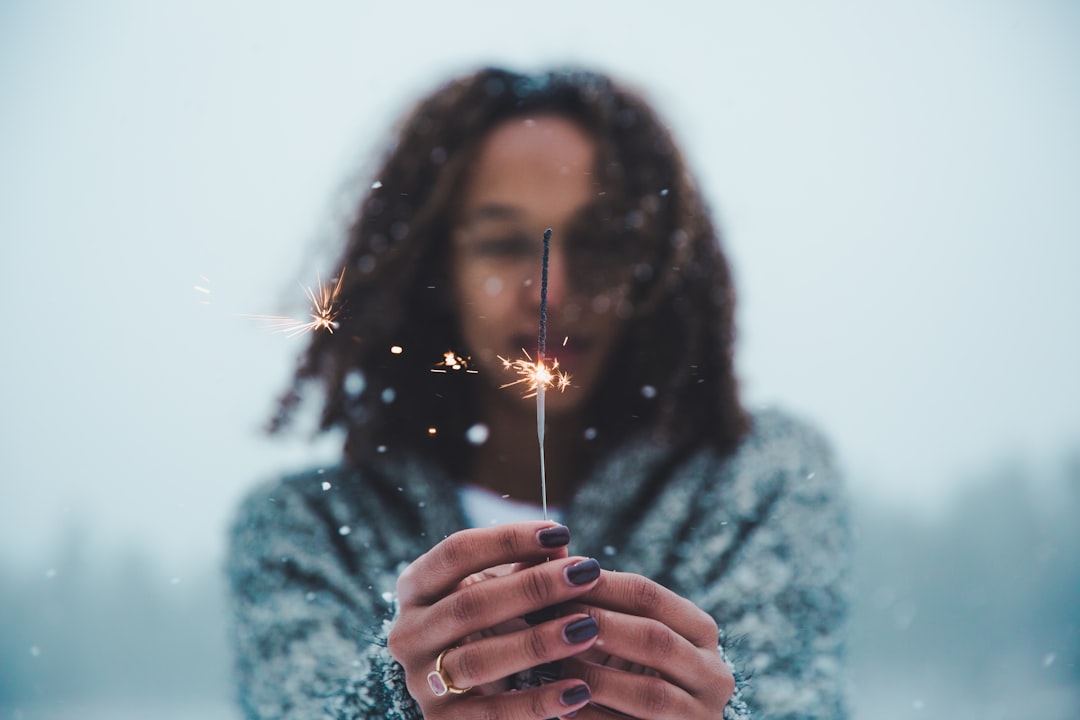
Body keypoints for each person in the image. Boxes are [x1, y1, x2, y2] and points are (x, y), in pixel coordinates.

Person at [227, 66, 849, 719]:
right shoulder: (309, 530)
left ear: (656, 266)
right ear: (434, 270)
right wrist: (391, 705)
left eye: (598, 242)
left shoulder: (760, 479)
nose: (551, 294)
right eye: (502, 243)